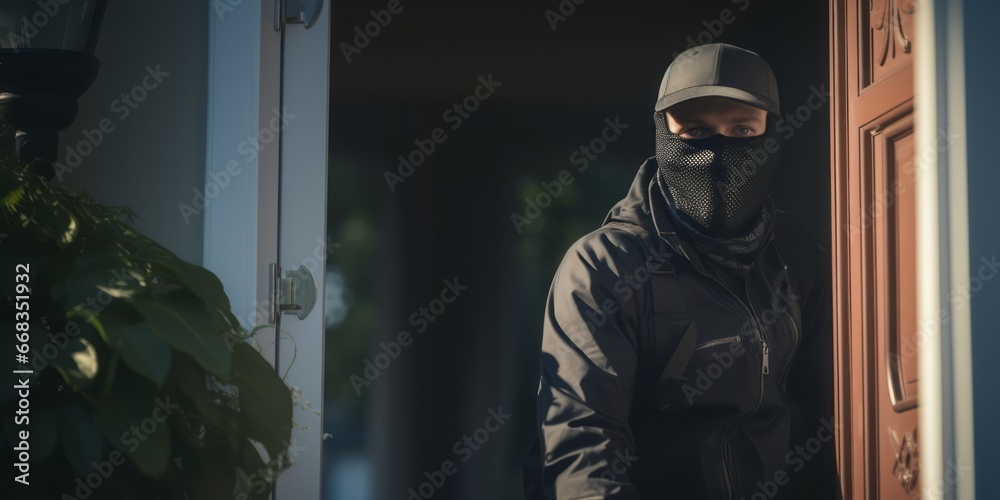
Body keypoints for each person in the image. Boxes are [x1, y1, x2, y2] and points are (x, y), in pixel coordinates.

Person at [523, 43, 840, 499]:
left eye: (742, 130)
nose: (716, 153)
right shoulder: (604, 267)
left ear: (771, 136)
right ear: (662, 134)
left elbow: (843, 407)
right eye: (694, 131)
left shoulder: (795, 254)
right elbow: (581, 446)